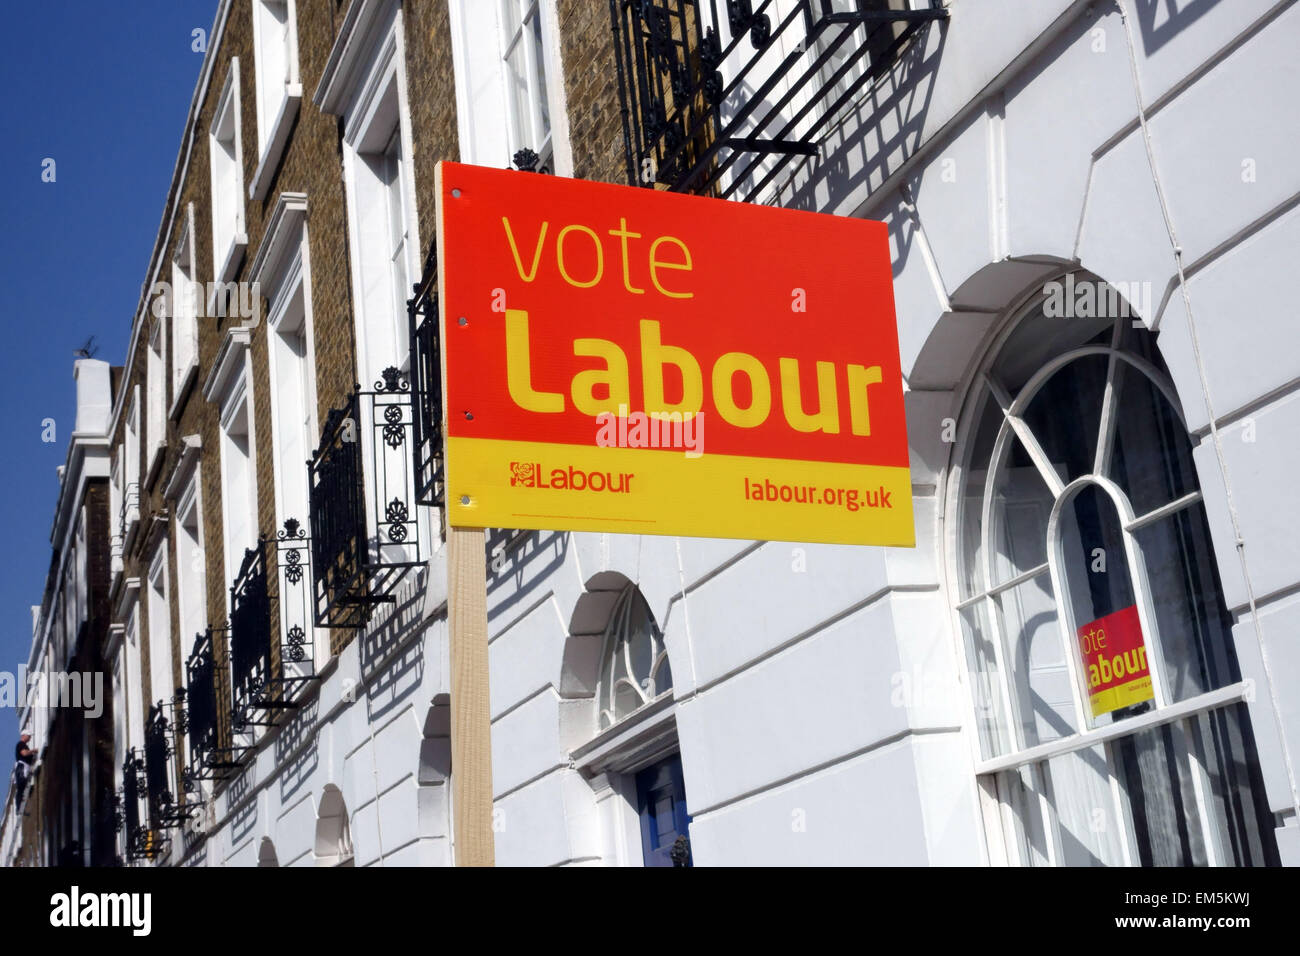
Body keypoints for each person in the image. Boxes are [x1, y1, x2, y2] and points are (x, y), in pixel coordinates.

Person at [13, 732, 35, 806]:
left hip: (24, 767)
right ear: (23, 735)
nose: (30, 738)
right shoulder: (20, 744)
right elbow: (24, 753)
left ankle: (20, 805)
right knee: (21, 784)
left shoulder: (25, 745)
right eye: (28, 736)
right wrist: (33, 751)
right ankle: (19, 807)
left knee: (22, 787)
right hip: (22, 767)